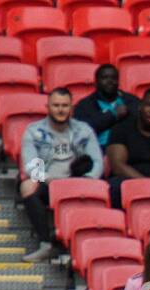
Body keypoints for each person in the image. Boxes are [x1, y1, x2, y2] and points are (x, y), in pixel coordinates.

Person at [19, 88, 103, 263]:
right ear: (47, 107)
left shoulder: (83, 130)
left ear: (71, 108)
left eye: (65, 105)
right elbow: (32, 165)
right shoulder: (34, 131)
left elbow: (97, 161)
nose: (60, 109)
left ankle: (83, 248)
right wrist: (51, 181)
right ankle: (45, 244)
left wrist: (88, 180)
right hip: (48, 182)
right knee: (27, 186)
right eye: (56, 105)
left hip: (77, 183)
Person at [73, 64, 139, 150]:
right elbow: (81, 130)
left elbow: (141, 120)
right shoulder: (84, 105)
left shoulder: (130, 100)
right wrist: (113, 114)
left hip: (129, 147)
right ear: (96, 82)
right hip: (99, 149)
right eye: (105, 78)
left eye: (114, 78)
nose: (110, 81)